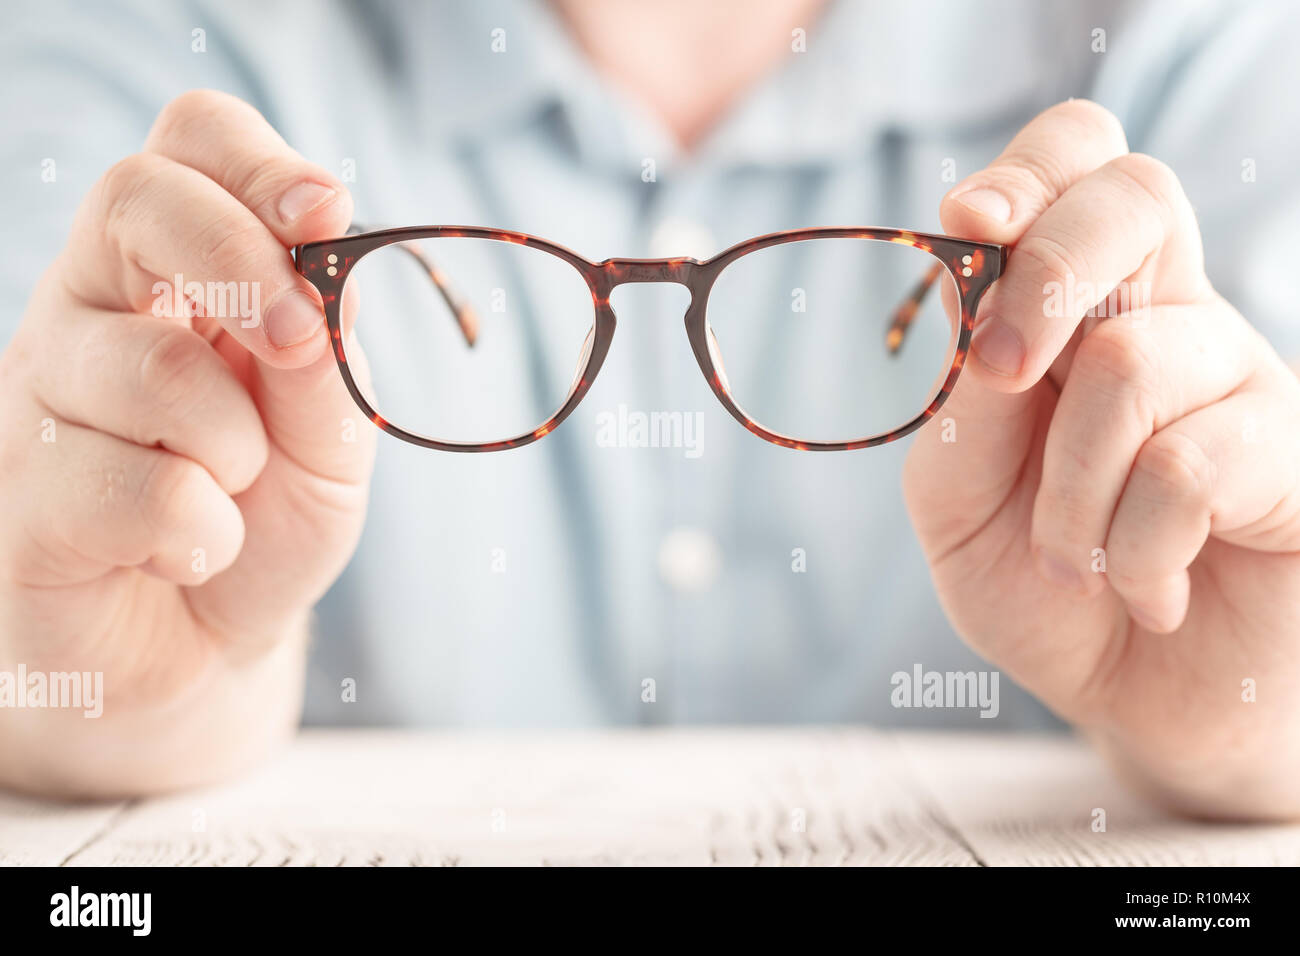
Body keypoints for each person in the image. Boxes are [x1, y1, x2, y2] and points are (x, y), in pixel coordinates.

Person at [0, 0, 1296, 817]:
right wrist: (113, 695)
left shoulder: (1198, 46)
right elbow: (51, 556)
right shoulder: (138, 47)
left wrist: (1252, 716)